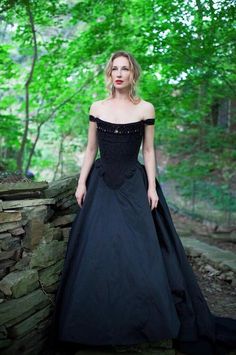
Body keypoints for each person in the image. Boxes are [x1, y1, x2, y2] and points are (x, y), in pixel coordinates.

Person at [49, 50, 236, 355]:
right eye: (114, 69)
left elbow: (148, 151)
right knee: (98, 250)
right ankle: (92, 324)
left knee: (139, 251)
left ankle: (143, 321)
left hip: (134, 185)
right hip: (101, 184)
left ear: (133, 74)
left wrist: (151, 187)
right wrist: (82, 182)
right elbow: (90, 148)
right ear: (109, 74)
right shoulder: (97, 106)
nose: (119, 73)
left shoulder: (145, 108)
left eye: (125, 69)